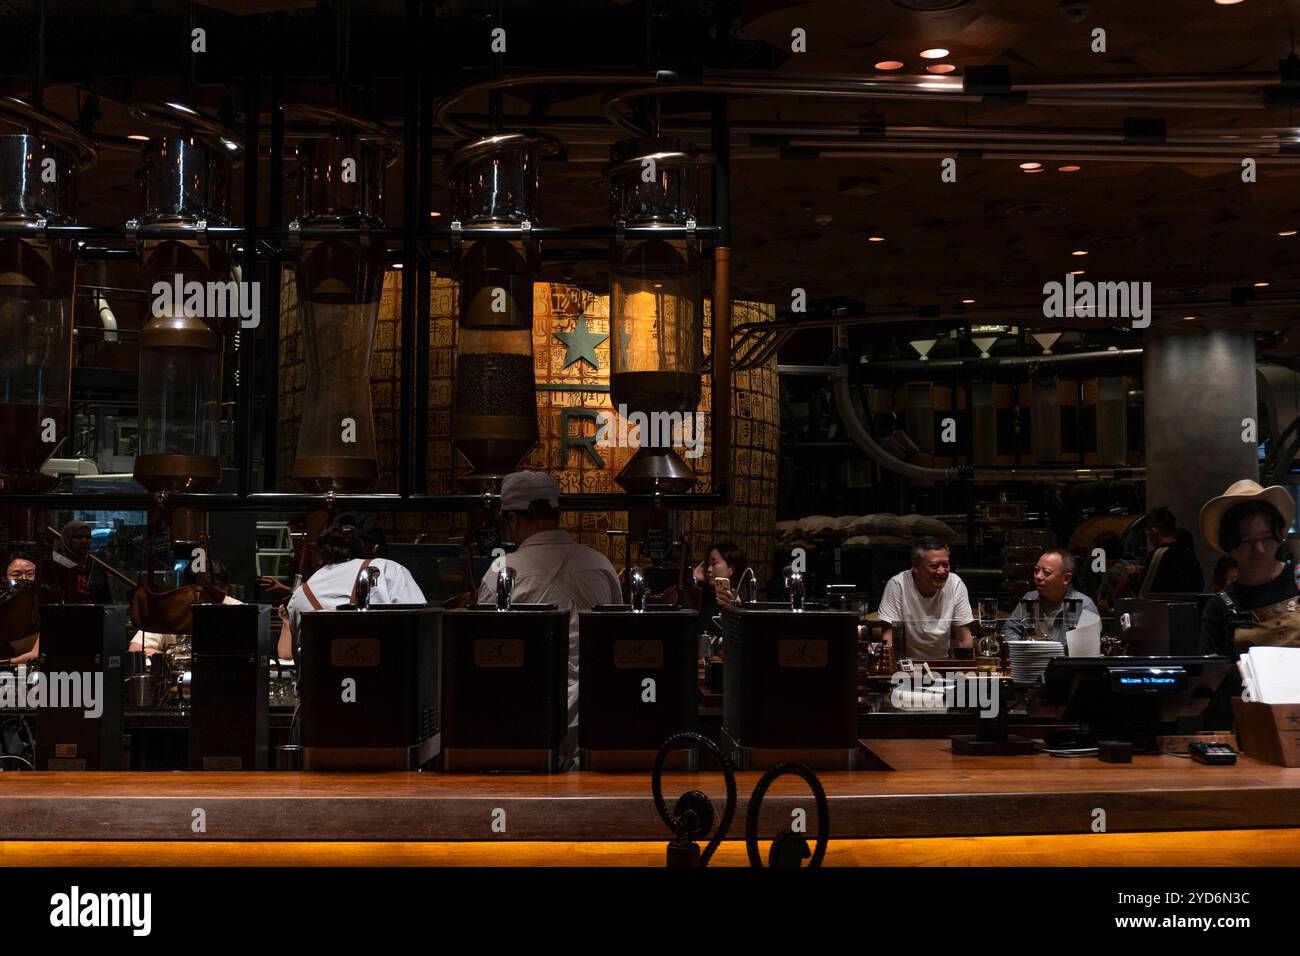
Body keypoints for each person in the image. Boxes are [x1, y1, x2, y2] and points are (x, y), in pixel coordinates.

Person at [475, 470, 622, 769]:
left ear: (513, 520)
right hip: (592, 713)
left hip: (525, 715)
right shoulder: (601, 565)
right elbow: (616, 640)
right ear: (557, 513)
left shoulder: (501, 570)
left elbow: (486, 651)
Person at [1199, 480, 1299, 728]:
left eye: (1267, 537)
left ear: (1279, 534)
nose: (1259, 549)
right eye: (1246, 541)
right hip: (1248, 723)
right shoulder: (1221, 605)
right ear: (1229, 544)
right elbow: (1210, 674)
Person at [283, 514, 426, 660]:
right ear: (375, 549)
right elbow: (422, 629)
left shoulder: (301, 593)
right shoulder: (388, 569)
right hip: (384, 676)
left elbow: (299, 658)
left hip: (322, 680)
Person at [877, 537, 974, 661]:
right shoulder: (898, 584)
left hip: (943, 663)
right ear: (916, 567)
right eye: (934, 566)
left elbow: (963, 636)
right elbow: (889, 635)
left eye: (946, 565)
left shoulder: (955, 583)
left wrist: (965, 673)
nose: (942, 571)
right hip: (907, 664)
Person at [129, 558, 241, 656]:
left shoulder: (239, 611)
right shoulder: (171, 609)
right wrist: (175, 660)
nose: (201, 602)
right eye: (196, 595)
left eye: (210, 596)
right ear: (185, 590)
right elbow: (136, 649)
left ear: (225, 589)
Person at [1002, 549, 1099, 646]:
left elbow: (1087, 648)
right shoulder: (1030, 598)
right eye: (1036, 570)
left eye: (1046, 572)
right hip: (1032, 659)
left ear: (1066, 578)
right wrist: (1023, 650)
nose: (1038, 577)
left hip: (1064, 661)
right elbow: (1010, 629)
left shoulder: (1084, 605)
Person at [1138, 506, 1205, 595]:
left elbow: (1143, 592)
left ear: (1154, 531)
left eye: (1147, 532)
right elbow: (1200, 583)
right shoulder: (1188, 553)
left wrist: (1133, 576)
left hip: (1164, 608)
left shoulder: (1159, 555)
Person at [691, 541, 749, 638]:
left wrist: (737, 611)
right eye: (708, 564)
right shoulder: (707, 597)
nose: (709, 569)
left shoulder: (745, 600)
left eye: (714, 563)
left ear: (731, 569)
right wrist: (694, 579)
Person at [47, 520, 112, 604]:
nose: (84, 541)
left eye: (88, 537)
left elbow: (105, 598)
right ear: (67, 538)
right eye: (78, 537)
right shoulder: (55, 562)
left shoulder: (95, 565)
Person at [1, 553, 41, 664]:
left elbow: (35, 656)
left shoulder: (45, 606)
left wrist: (6, 662)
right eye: (16, 574)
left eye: (30, 574)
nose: (23, 579)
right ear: (4, 579)